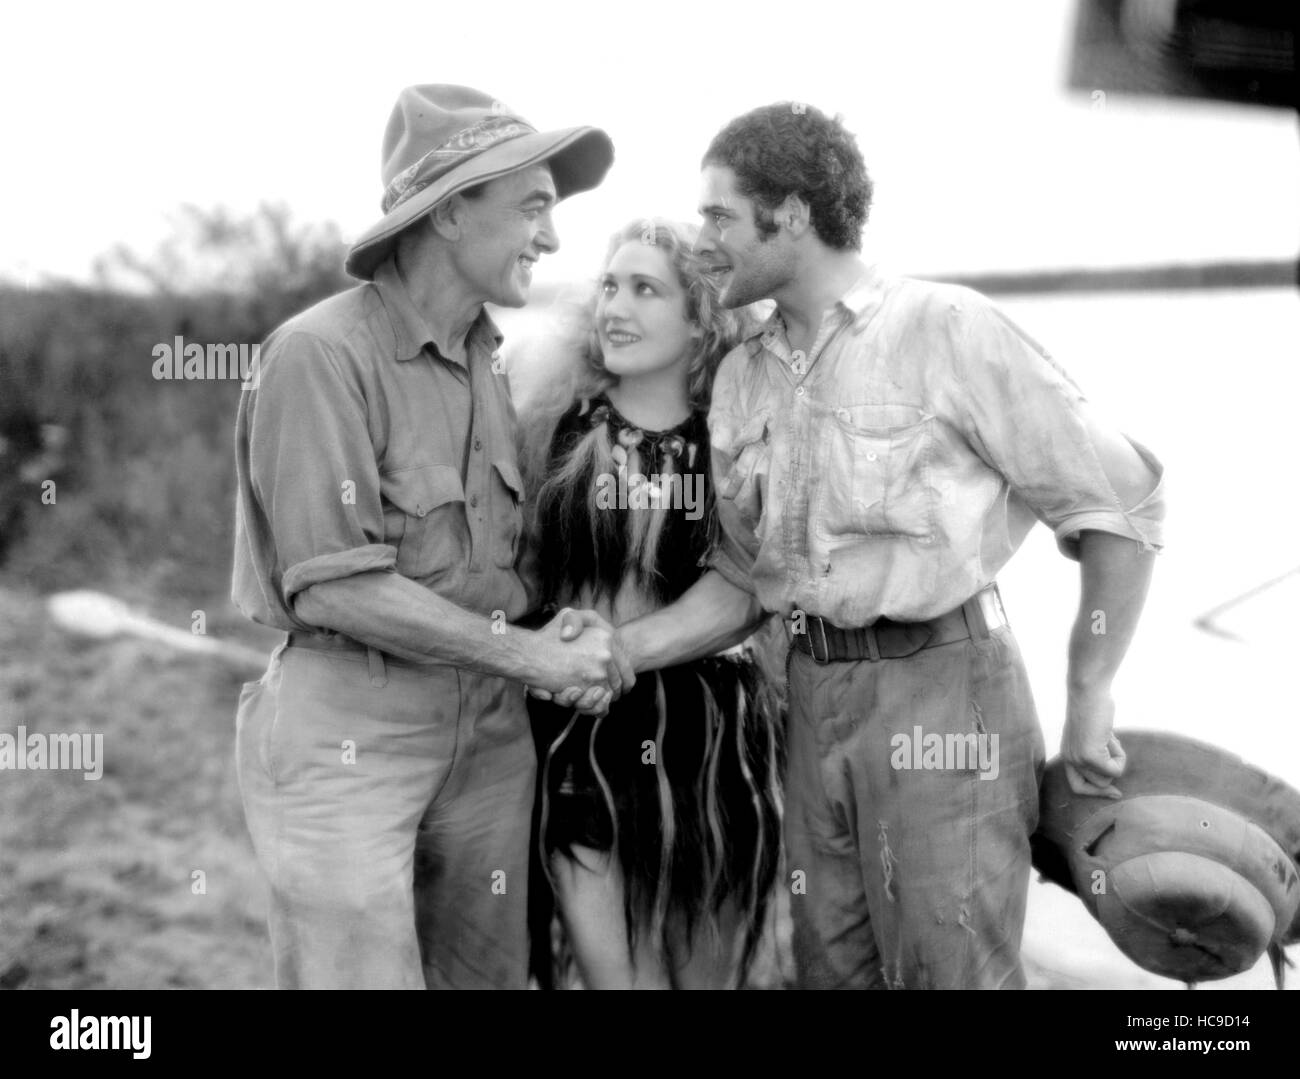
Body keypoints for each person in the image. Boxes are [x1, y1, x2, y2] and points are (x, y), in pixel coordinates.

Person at [561, 102, 1166, 989]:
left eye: (721, 215)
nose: (703, 240)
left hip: (943, 696)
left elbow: (1123, 503)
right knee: (831, 974)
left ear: (793, 216)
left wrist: (1091, 691)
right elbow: (743, 581)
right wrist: (615, 649)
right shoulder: (742, 375)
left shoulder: (945, 329)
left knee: (948, 972)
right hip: (811, 700)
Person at [230, 84, 631, 989]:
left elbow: (497, 574)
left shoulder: (491, 361)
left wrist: (561, 628)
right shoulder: (317, 356)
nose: (553, 237)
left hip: (489, 734)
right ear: (451, 212)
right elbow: (333, 586)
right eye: (532, 206)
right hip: (350, 735)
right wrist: (532, 660)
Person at [516, 218, 784, 989]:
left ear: (703, 318)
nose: (615, 307)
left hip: (714, 738)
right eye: (608, 284)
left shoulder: (735, 444)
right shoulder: (555, 426)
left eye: (645, 289)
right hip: (582, 727)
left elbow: (755, 587)